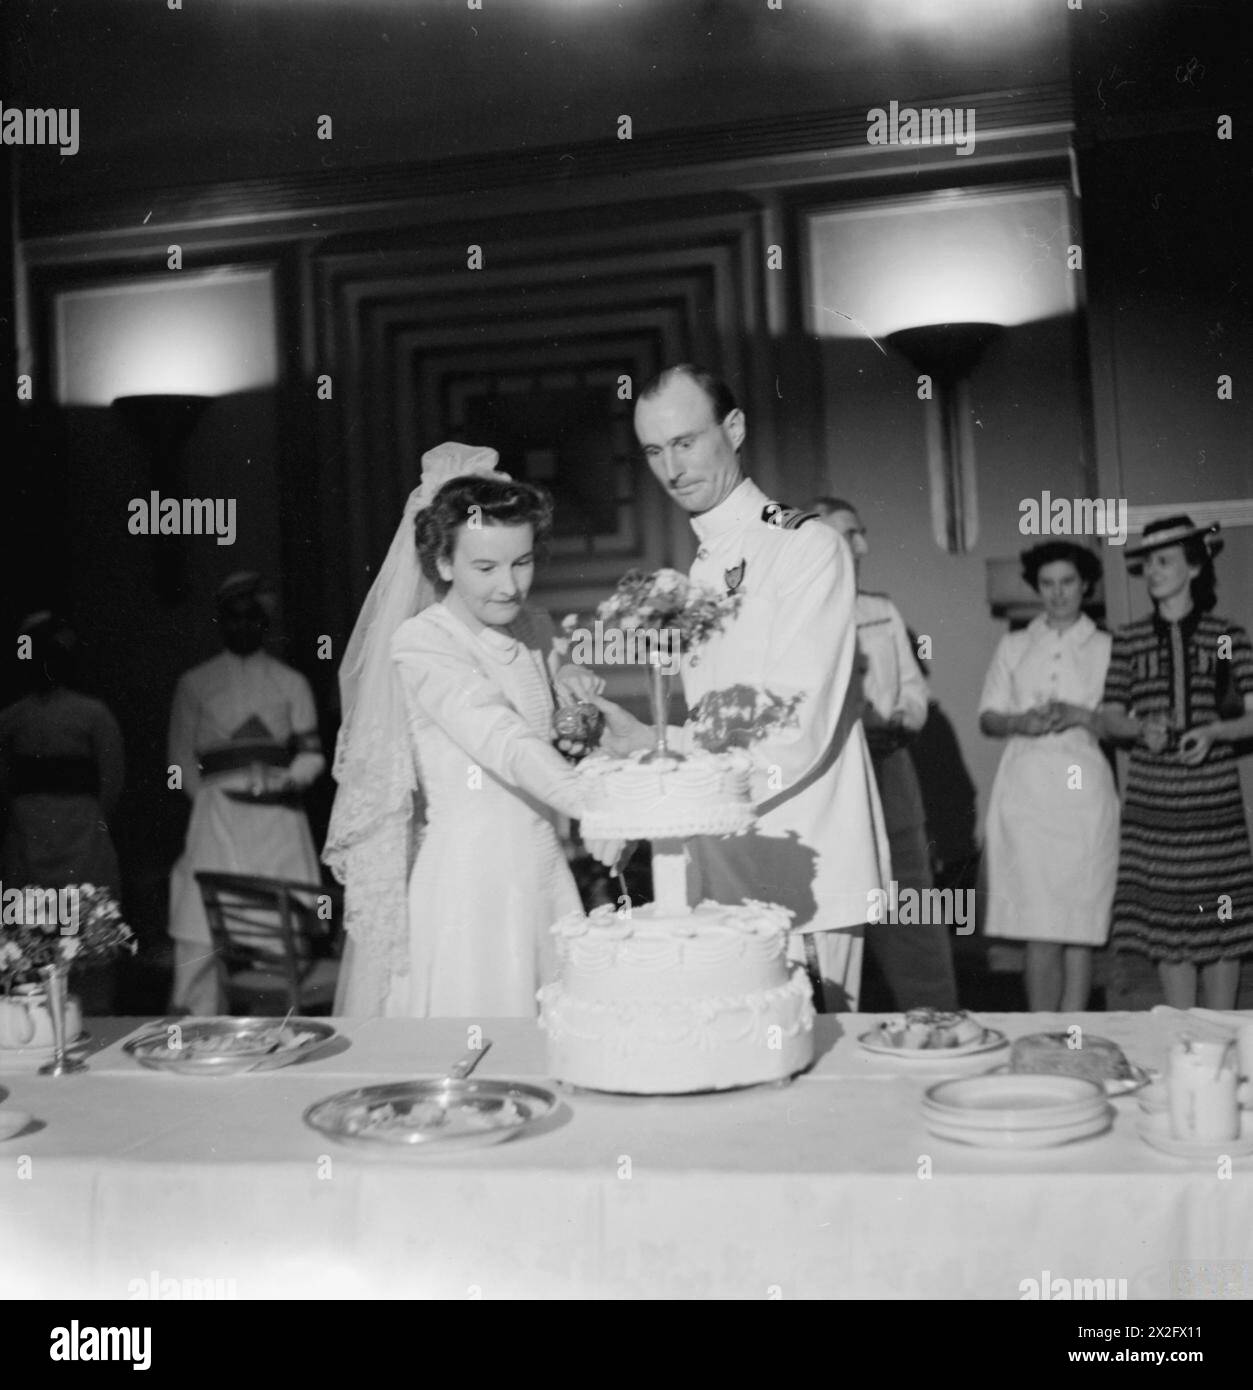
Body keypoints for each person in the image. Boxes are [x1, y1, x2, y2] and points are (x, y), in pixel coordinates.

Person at [593, 366, 890, 1011]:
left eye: (686, 442)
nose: (671, 468)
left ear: (734, 428)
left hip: (798, 869)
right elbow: (716, 719)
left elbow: (793, 724)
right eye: (653, 451)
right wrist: (651, 745)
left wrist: (669, 778)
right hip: (721, 863)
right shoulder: (696, 568)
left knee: (811, 1072)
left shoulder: (806, 547)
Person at [324, 444, 617, 1018]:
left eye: (523, 562)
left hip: (541, 867)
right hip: (470, 882)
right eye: (486, 567)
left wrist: (569, 674)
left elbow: (541, 674)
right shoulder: (422, 643)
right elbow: (502, 738)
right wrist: (598, 804)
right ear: (443, 563)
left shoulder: (534, 625)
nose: (509, 585)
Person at [1098, 515, 1253, 1010]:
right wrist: (1140, 728)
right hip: (1154, 800)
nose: (1153, 572)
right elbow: (1108, 716)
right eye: (1147, 564)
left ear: (1193, 566)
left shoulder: (1226, 635)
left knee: (1221, 925)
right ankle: (1184, 1036)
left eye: (1164, 561)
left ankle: (1224, 1034)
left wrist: (1213, 732)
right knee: (1168, 928)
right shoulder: (1128, 639)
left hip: (1213, 799)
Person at [813, 498, 958, 1011]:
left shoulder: (881, 611)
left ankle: (937, 1026)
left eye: (861, 533)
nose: (861, 546)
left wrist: (902, 723)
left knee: (913, 917)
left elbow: (914, 689)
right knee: (837, 927)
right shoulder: (801, 617)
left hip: (892, 777)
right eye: (847, 534)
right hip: (834, 789)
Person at [166, 573, 326, 1014]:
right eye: (232, 618)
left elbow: (311, 754)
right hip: (216, 822)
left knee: (278, 932)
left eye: (251, 618)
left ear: (264, 624)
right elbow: (179, 762)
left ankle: (280, 1030)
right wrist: (211, 800)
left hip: (278, 822)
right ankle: (196, 1029)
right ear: (221, 623)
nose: (242, 627)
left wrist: (289, 780)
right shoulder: (195, 683)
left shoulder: (290, 681)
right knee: (199, 927)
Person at [978, 542, 1119, 1011]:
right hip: (1028, 796)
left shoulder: (1106, 647)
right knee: (1041, 930)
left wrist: (1079, 713)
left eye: (1068, 583)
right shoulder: (1016, 645)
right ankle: (1042, 1033)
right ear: (1037, 588)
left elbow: (1120, 724)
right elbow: (989, 717)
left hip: (1083, 796)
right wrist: (1021, 722)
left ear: (1086, 586)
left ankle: (1076, 1034)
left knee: (1078, 928)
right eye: (1048, 584)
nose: (1058, 594)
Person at [0, 613, 124, 892]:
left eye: (54, 655)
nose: (46, 664)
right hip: (27, 827)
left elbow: (112, 776)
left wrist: (92, 819)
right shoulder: (12, 717)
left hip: (82, 830)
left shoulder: (93, 715)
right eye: (38, 655)